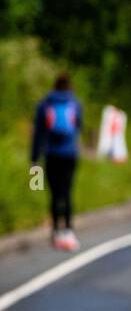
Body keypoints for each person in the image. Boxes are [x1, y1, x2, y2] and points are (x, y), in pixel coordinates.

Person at [31, 72, 83, 251]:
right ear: (69, 86)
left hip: (51, 154)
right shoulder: (75, 103)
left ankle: (55, 232)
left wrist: (34, 159)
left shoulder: (45, 104)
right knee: (67, 192)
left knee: (53, 194)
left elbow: (38, 134)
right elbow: (78, 127)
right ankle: (68, 230)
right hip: (70, 154)